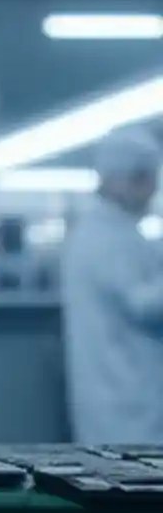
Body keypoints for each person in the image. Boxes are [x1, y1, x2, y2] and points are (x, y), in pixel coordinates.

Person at [62, 128, 163, 444]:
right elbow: (144, 304)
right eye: (145, 180)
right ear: (119, 179)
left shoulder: (116, 233)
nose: (151, 191)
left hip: (122, 394)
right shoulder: (105, 238)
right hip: (126, 399)